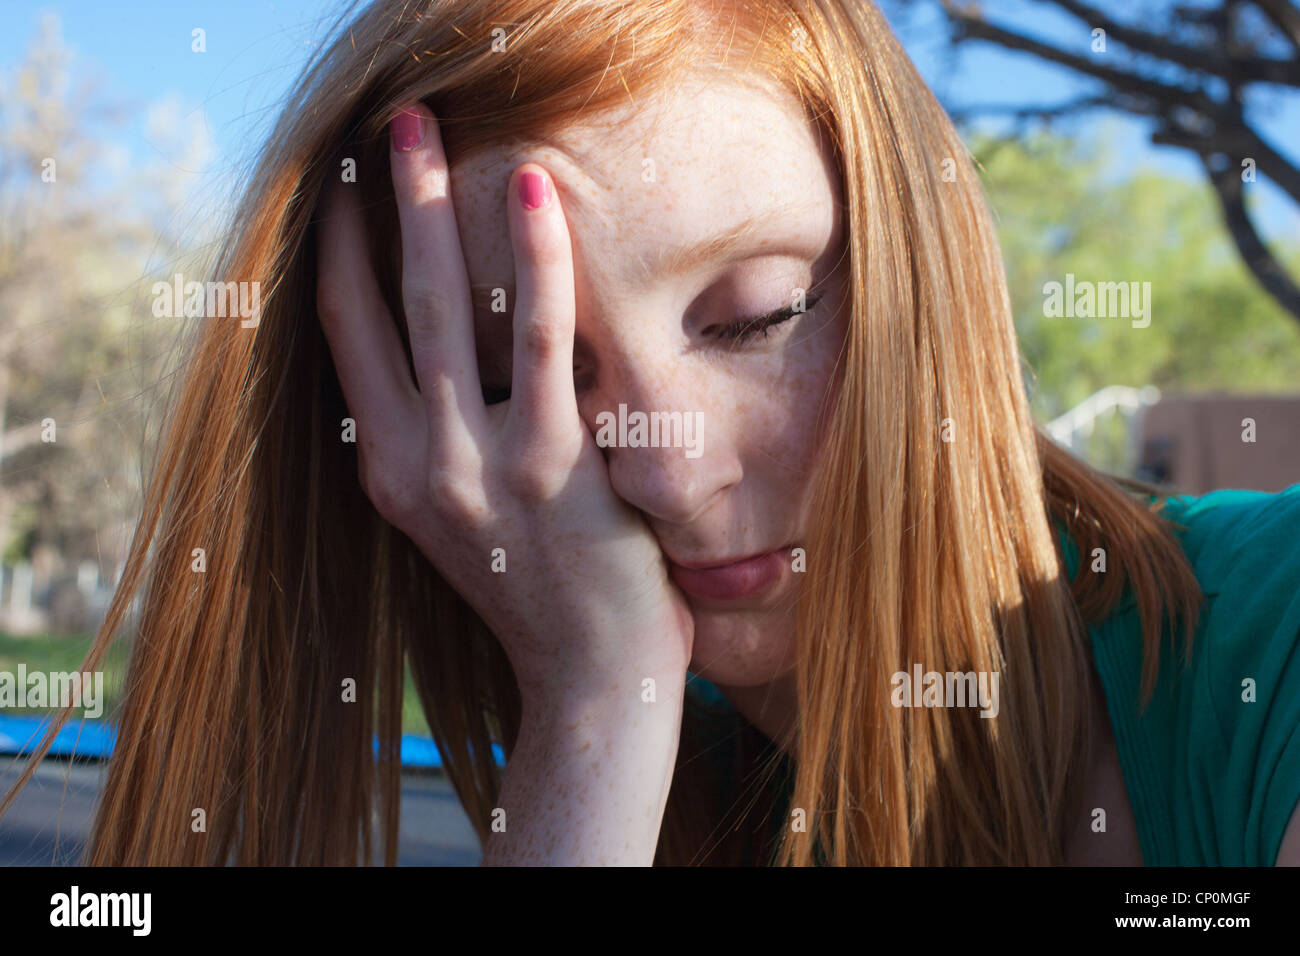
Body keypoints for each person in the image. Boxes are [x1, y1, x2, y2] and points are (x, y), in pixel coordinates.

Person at [3, 0, 1298, 867]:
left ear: (933, 268)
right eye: (517, 371)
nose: (666, 468)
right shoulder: (643, 766)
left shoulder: (1271, 635)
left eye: (754, 314)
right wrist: (596, 716)